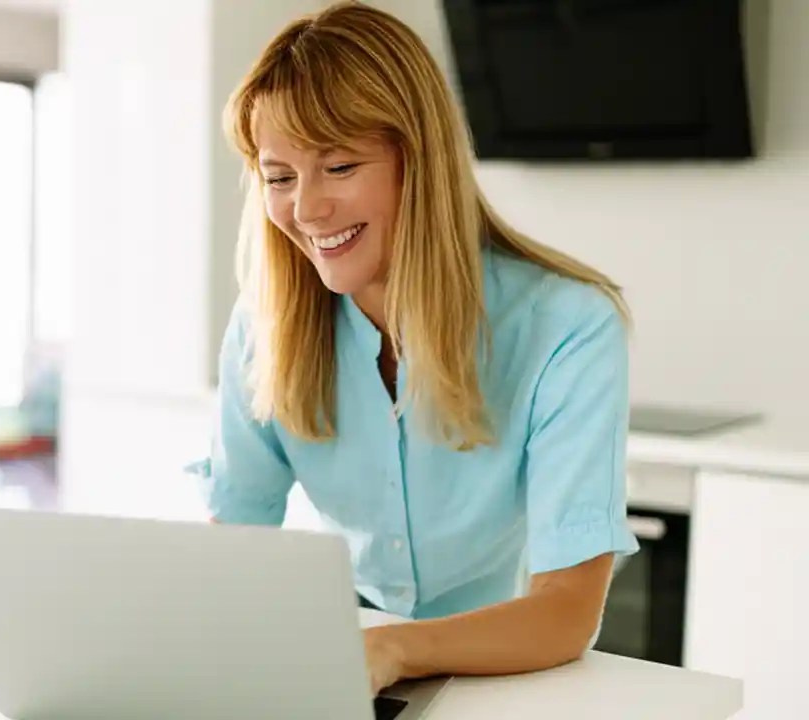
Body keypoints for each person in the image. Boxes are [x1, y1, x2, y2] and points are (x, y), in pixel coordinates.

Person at [198, 1, 639, 696]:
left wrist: (391, 650)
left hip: (502, 680)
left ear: (419, 160)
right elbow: (236, 547)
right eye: (280, 177)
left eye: (339, 166)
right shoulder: (264, 326)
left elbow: (566, 611)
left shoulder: (568, 326)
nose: (307, 210)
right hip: (341, 671)